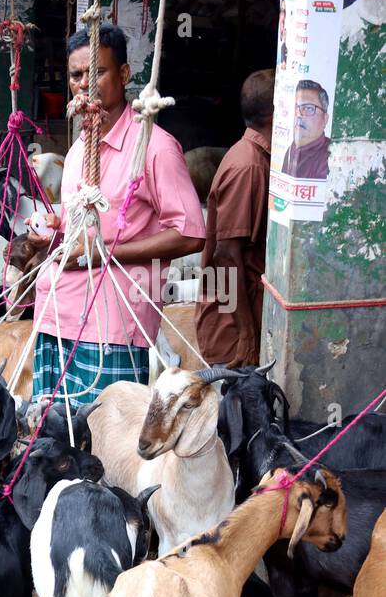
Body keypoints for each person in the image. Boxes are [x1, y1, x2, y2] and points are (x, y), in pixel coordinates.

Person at [29, 24, 205, 403]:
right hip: (55, 316)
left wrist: (106, 252)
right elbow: (83, 232)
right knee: (52, 445)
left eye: (98, 73)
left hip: (112, 329)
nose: (84, 85)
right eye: (76, 76)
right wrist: (54, 235)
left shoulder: (154, 147)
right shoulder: (79, 149)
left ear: (124, 75)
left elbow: (191, 233)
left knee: (106, 451)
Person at [195, 69, 275, 368]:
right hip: (233, 332)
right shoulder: (249, 166)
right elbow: (227, 256)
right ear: (275, 113)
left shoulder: (254, 158)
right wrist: (246, 336)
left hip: (240, 320)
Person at [280, 79, 331, 179]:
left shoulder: (330, 158)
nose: (299, 114)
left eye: (308, 108)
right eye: (296, 107)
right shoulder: (291, 149)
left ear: (325, 118)